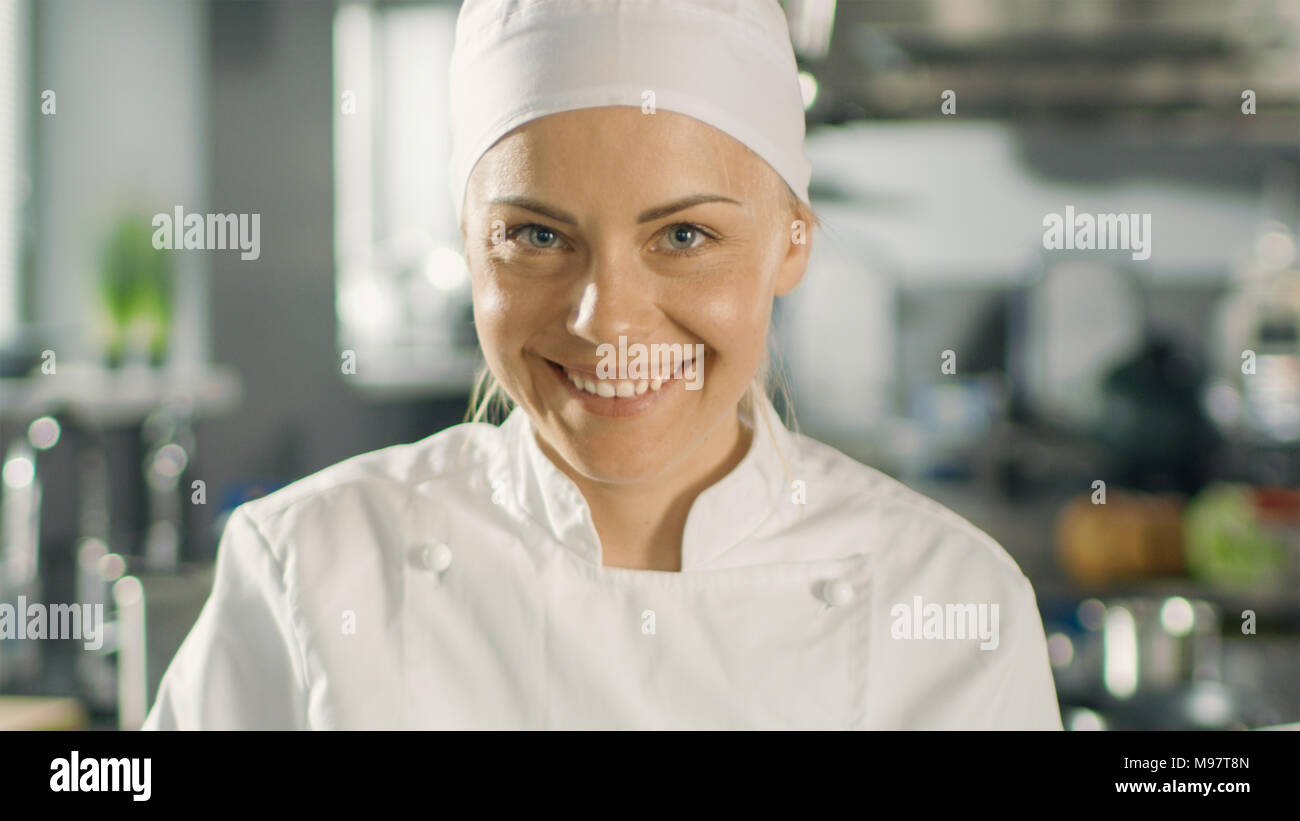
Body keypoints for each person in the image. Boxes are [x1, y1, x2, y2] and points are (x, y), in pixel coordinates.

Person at [143, 0, 1062, 730]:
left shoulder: (953, 604)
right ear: (468, 245)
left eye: (684, 235)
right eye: (538, 236)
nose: (606, 319)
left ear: (792, 242)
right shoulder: (307, 570)